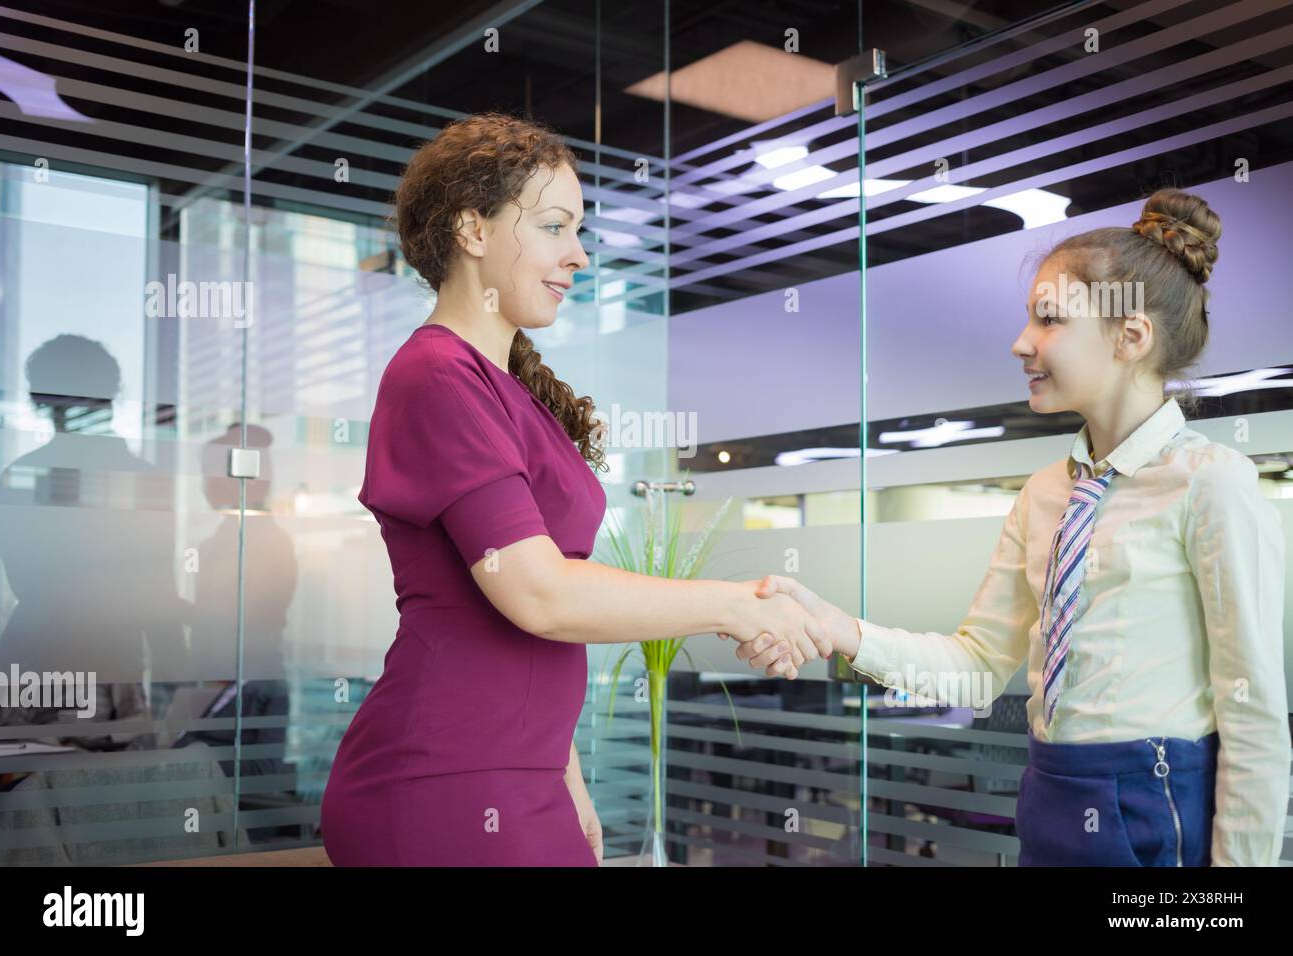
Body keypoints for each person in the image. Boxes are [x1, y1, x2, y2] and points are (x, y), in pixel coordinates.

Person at [319, 112, 828, 867]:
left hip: (517, 771)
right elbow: (540, 596)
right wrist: (733, 605)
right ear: (472, 230)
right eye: (555, 227)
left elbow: (536, 628)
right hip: (440, 779)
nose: (578, 255)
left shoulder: (505, 388)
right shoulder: (435, 375)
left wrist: (563, 772)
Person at [739, 188, 1289, 866]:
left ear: (1130, 336)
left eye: (1049, 319)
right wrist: (841, 629)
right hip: (1049, 796)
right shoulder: (1046, 492)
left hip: (1156, 810)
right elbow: (976, 665)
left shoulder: (1212, 482)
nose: (1020, 343)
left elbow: (1254, 717)